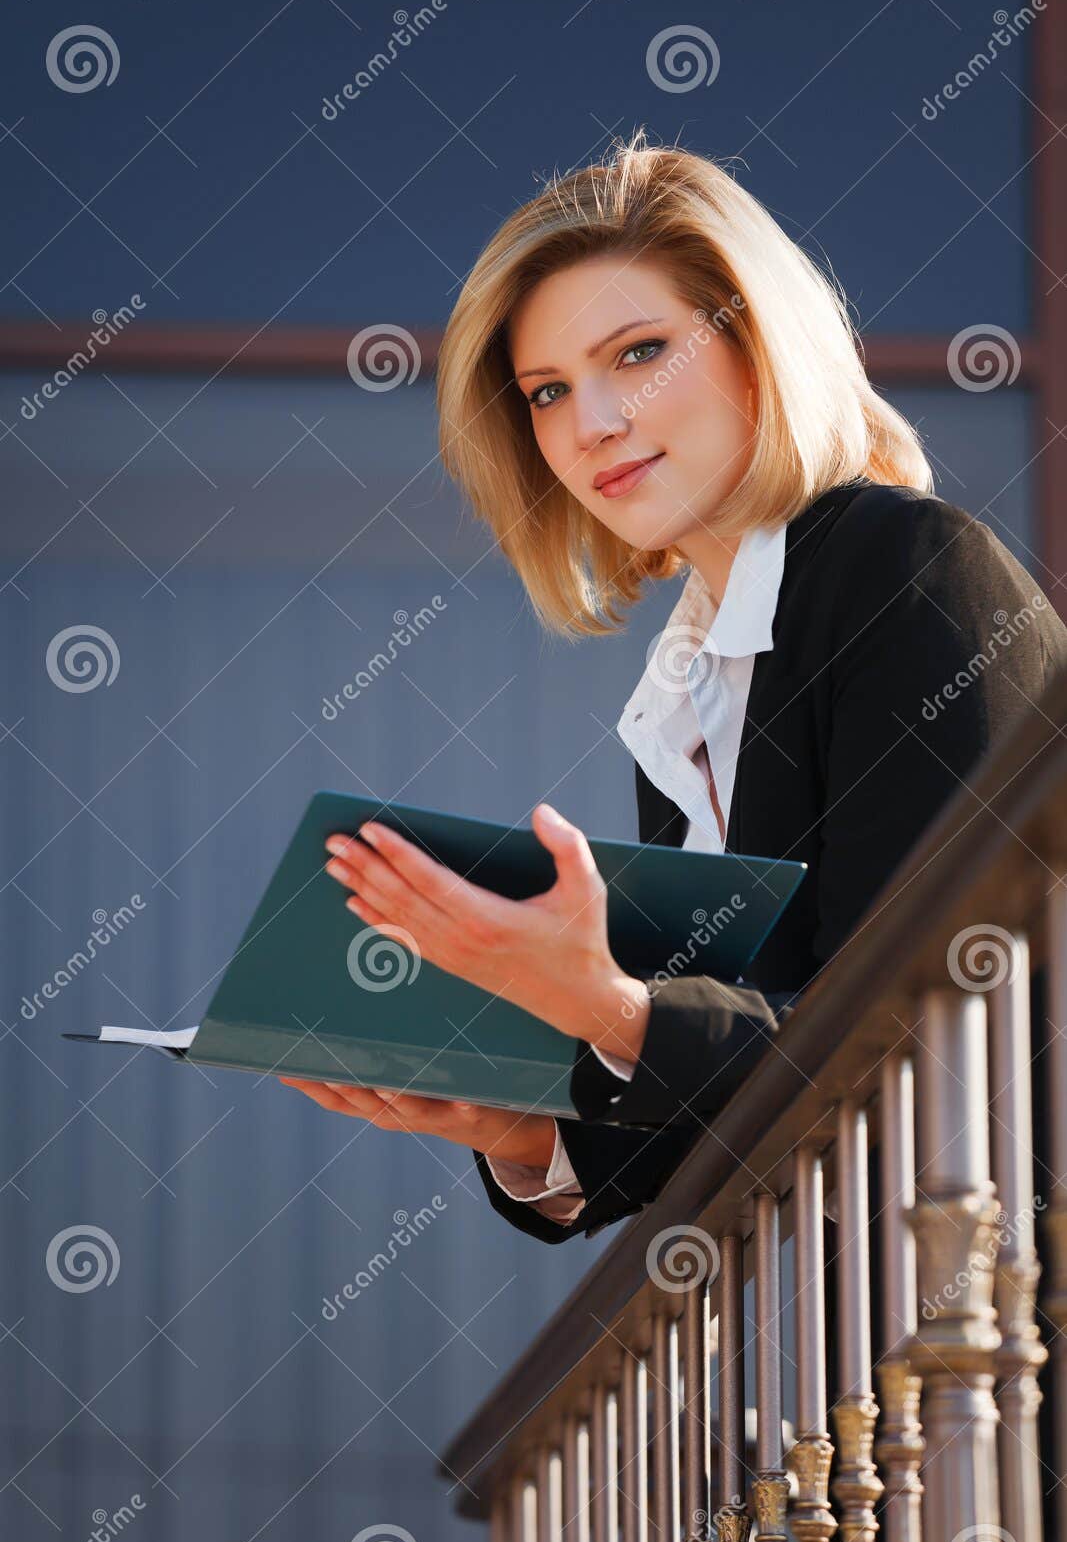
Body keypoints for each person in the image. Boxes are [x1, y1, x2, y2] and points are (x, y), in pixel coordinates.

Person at [279, 131, 1067, 1246]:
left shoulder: (903, 568)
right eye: (547, 390)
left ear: (759, 346)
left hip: (992, 1354)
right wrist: (527, 1134)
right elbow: (771, 1073)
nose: (589, 424)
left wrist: (606, 1004)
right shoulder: (696, 680)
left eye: (638, 352)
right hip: (853, 1364)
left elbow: (932, 1035)